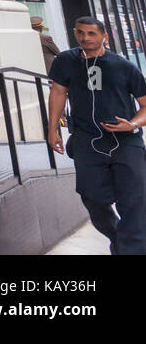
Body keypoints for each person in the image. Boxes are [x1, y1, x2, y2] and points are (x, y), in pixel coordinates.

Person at [48, 15, 146, 255]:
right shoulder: (65, 61)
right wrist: (52, 129)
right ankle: (119, 240)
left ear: (105, 37)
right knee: (92, 197)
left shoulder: (123, 66)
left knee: (134, 202)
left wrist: (132, 124)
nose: (85, 38)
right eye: (80, 33)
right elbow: (58, 92)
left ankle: (131, 250)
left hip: (126, 142)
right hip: (86, 140)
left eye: (92, 33)